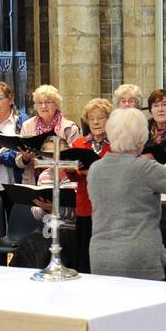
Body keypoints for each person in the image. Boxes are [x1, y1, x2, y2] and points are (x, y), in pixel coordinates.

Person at [86, 107, 166, 280]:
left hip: (100, 253)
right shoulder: (145, 168)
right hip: (139, 255)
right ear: (141, 137)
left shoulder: (95, 168)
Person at [68, 98, 112, 274]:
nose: (95, 122)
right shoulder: (79, 144)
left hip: (107, 206)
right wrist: (72, 170)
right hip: (85, 203)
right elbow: (73, 175)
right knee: (84, 255)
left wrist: (95, 172)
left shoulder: (116, 144)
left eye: (100, 118)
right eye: (91, 118)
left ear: (109, 119)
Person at [16, 85, 80, 182]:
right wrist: (25, 158)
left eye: (48, 102)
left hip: (61, 182)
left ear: (56, 104)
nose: (43, 106)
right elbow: (18, 162)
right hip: (33, 181)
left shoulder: (69, 128)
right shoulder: (27, 125)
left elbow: (74, 161)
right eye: (40, 103)